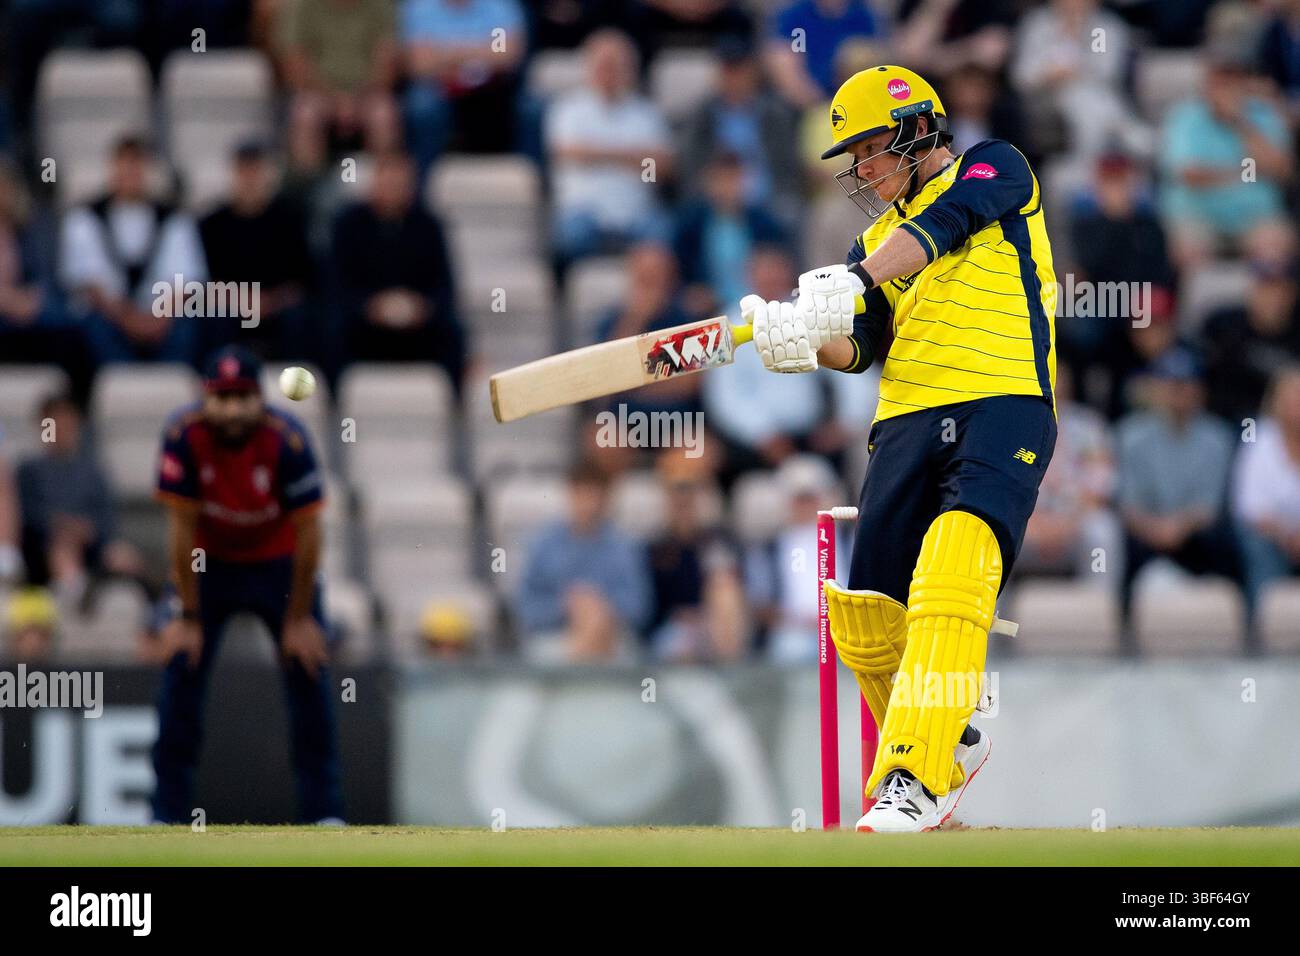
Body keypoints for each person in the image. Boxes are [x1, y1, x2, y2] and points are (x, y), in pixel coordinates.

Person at [738, 66, 1058, 831]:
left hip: (1002, 400)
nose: (862, 169)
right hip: (905, 421)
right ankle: (950, 740)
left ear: (919, 129)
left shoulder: (996, 167)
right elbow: (863, 345)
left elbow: (945, 225)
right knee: (867, 615)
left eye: (871, 149)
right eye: (853, 157)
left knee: (955, 564)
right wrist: (801, 343)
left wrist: (847, 282)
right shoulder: (872, 240)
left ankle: (913, 775)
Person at [151, 346, 342, 824]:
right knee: (181, 671)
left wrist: (297, 619)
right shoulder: (183, 435)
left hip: (276, 564)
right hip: (209, 565)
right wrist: (188, 615)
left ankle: (324, 815)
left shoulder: (288, 441)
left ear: (260, 398)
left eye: (242, 397)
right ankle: (166, 814)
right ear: (204, 398)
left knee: (308, 674)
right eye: (222, 397)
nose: (232, 409)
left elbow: (308, 534)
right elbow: (181, 532)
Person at [1116, 347, 1241, 633]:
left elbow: (1212, 504)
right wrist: (1156, 529)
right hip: (1145, 535)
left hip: (1196, 536)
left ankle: (1236, 623)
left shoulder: (1218, 437)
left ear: (1200, 390)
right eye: (1171, 385)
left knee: (1223, 539)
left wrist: (1178, 527)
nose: (1179, 393)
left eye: (1186, 385)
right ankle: (1124, 625)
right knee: (1118, 541)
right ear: (1156, 388)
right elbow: (1127, 503)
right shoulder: (1130, 435)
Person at [58, 135, 207, 366]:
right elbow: (89, 284)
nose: (130, 173)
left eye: (136, 165)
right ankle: (111, 385)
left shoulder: (175, 219)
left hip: (161, 320)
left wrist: (159, 319)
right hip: (110, 319)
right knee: (88, 321)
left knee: (191, 320)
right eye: (124, 165)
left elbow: (187, 283)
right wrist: (128, 320)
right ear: (112, 169)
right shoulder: (84, 218)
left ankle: (172, 383)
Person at [329, 150, 464, 387]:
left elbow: (445, 286)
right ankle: (336, 400)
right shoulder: (349, 224)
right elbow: (336, 284)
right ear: (374, 183)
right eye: (387, 181)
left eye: (399, 183)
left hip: (417, 324)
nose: (393, 189)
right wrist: (369, 306)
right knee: (333, 328)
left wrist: (422, 306)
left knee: (453, 331)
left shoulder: (428, 225)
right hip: (366, 323)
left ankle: (452, 403)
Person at [545, 29, 673, 266]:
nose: (609, 72)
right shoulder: (568, 108)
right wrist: (632, 155)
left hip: (636, 215)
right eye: (604, 65)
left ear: (630, 69)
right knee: (569, 237)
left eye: (617, 65)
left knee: (664, 235)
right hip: (584, 214)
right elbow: (569, 153)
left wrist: (597, 152)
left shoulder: (646, 113)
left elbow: (663, 167)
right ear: (589, 67)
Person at [515, 461, 650, 663]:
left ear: (607, 499)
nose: (590, 504)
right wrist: (566, 605)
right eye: (583, 495)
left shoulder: (624, 547)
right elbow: (526, 607)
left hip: (612, 635)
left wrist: (599, 606)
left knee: (596, 621)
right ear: (571, 494)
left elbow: (639, 608)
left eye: (596, 497)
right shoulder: (544, 544)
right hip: (556, 635)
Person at [16, 393, 141, 598]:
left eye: (67, 423)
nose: (62, 430)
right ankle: (74, 597)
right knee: (63, 547)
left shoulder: (93, 471)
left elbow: (107, 517)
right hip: (42, 549)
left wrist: (90, 530)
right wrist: (61, 525)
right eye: (55, 424)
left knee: (122, 554)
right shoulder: (28, 470)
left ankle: (151, 609)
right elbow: (26, 513)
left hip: (91, 546)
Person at [276, 0, 400, 176]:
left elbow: (386, 65)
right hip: (317, 92)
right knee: (304, 117)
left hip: (368, 93)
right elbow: (294, 64)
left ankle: (381, 190)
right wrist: (336, 99)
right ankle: (310, 189)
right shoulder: (302, 6)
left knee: (383, 116)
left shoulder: (380, 5)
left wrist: (354, 99)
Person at [1231, 366, 1300, 608]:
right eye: (1290, 399)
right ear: (1276, 402)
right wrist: (1288, 535)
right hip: (1272, 536)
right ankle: (1262, 623)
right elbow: (1249, 507)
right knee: (1258, 545)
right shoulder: (1258, 439)